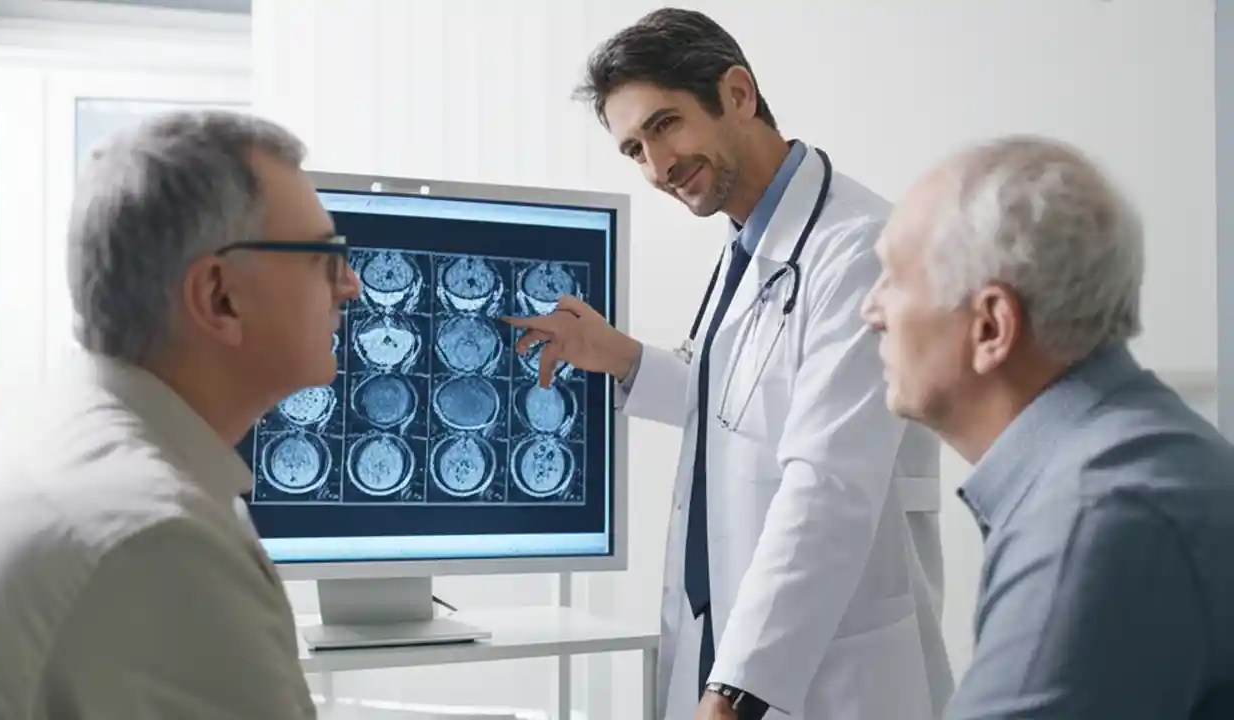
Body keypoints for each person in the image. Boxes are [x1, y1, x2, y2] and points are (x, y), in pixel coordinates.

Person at [504, 8, 951, 720]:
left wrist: (734, 691)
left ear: (738, 94)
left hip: (837, 671)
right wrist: (619, 357)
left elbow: (829, 486)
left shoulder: (861, 247)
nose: (658, 165)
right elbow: (750, 408)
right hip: (745, 643)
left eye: (665, 125)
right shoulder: (750, 246)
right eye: (633, 150)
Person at [0, 110, 359, 718]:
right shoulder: (159, 541)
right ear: (219, 297)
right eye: (323, 258)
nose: (349, 285)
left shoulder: (84, 445)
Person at [861, 135, 1234, 718]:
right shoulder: (1141, 457)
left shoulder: (1097, 518)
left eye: (893, 279)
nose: (871, 310)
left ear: (992, 327)